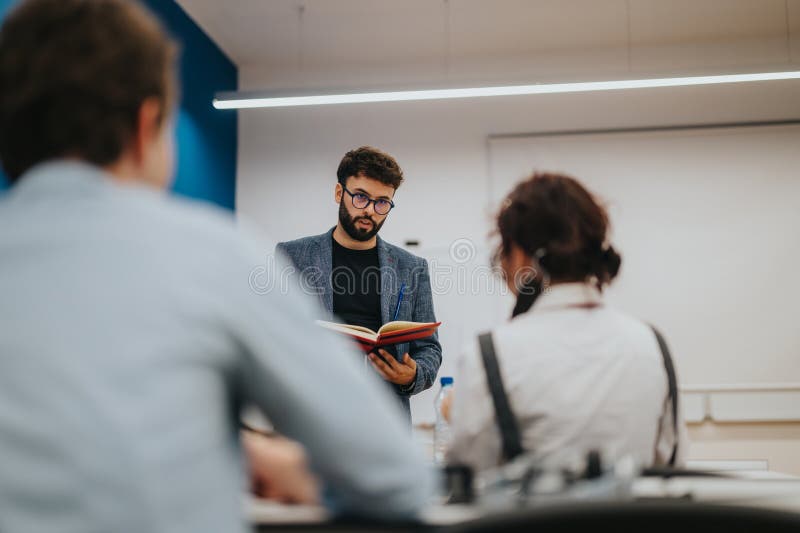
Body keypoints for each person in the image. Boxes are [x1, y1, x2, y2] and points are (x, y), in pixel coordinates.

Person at [0, 1, 434, 531]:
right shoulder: (219, 255)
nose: (371, 209)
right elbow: (398, 478)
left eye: (382, 202)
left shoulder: (406, 267)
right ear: (146, 125)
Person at [447, 172, 688, 472]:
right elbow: (672, 463)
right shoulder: (651, 345)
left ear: (518, 255)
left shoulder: (489, 355)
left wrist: (458, 413)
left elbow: (470, 477)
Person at [277, 147, 442, 421]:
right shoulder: (292, 256)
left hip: (385, 420)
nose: (369, 211)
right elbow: (273, 335)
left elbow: (429, 349)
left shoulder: (412, 268)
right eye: (361, 197)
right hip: (312, 415)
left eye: (382, 202)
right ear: (339, 193)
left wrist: (412, 375)